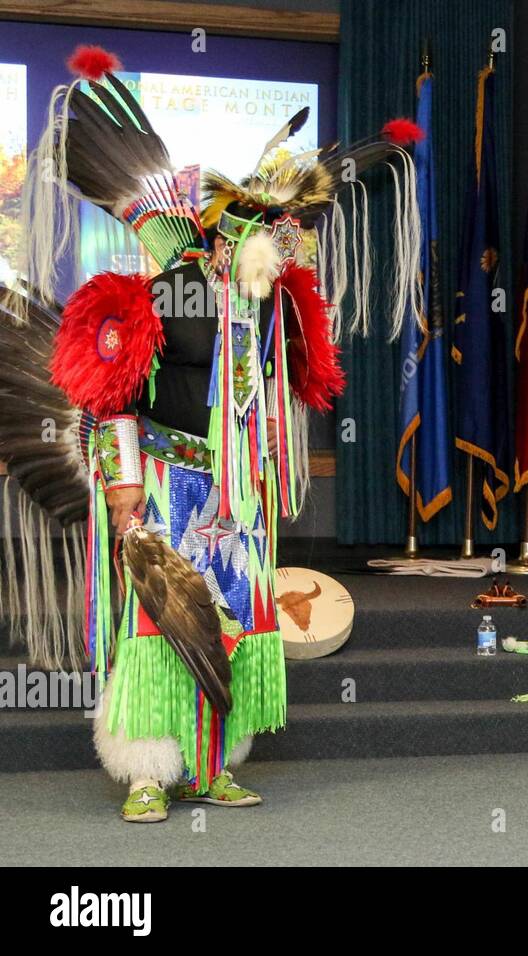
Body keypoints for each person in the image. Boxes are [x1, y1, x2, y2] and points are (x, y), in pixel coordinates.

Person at [0, 45, 419, 820]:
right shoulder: (151, 297)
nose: (281, 246)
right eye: (266, 235)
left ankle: (212, 763)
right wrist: (124, 487)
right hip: (161, 483)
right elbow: (112, 402)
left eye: (284, 236)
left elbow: (265, 395)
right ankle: (149, 771)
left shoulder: (261, 304)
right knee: (163, 624)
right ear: (216, 235)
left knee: (233, 622)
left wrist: (253, 470)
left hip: (233, 494)